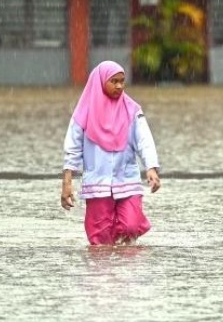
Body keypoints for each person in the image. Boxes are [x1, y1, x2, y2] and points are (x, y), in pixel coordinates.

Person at [62, 60, 161, 245]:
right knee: (99, 241)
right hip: (97, 182)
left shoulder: (133, 110)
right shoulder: (83, 112)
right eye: (113, 81)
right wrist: (67, 183)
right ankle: (104, 269)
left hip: (127, 180)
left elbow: (144, 141)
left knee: (131, 227)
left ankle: (126, 268)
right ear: (100, 81)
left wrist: (151, 168)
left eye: (122, 81)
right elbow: (72, 149)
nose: (119, 86)